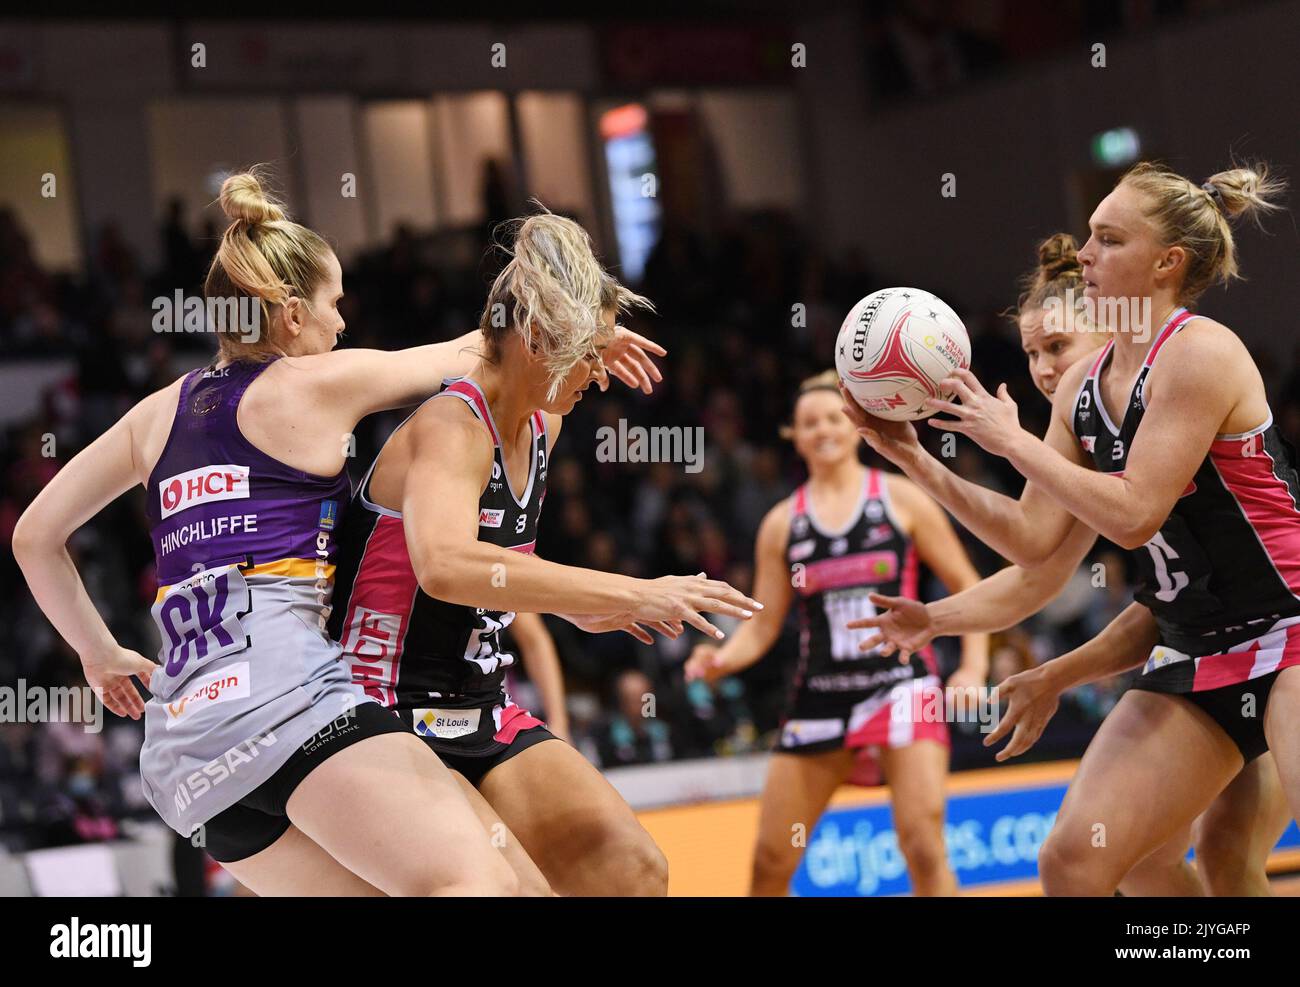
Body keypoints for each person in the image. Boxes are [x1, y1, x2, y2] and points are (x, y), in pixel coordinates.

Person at [11, 169, 665, 897]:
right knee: (489, 888)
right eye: (334, 304)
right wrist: (585, 329)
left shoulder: (153, 416)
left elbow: (34, 537)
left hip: (187, 757)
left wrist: (97, 654)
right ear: (290, 314)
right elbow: (488, 350)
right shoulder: (311, 385)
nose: (342, 323)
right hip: (293, 707)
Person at [843, 161, 1299, 895]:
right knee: (1075, 861)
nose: (1083, 253)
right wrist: (913, 457)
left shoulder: (1198, 352)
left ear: (1166, 262)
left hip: (1290, 627)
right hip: (1196, 644)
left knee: (1223, 853)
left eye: (1107, 238)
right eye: (1088, 236)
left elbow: (1132, 512)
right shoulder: (1084, 392)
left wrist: (1010, 441)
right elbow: (1032, 541)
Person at [329, 209, 763, 896]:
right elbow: (444, 566)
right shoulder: (452, 424)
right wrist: (629, 591)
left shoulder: (544, 422)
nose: (597, 376)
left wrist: (579, 610)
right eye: (587, 356)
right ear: (537, 340)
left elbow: (507, 575)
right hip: (385, 713)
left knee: (635, 871)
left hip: (481, 706)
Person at [683, 369, 989, 896]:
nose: (822, 429)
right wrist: (721, 659)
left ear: (856, 427)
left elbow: (968, 586)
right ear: (794, 437)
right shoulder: (782, 523)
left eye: (833, 418)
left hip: (903, 688)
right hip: (818, 696)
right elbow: (763, 625)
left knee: (922, 843)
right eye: (809, 423)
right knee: (770, 861)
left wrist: (974, 666)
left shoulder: (902, 499)